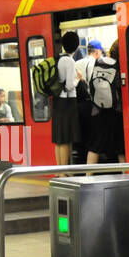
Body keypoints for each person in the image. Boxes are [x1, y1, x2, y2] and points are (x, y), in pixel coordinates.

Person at [85, 40, 124, 164]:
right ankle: (126, 174)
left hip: (98, 110)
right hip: (115, 112)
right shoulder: (119, 65)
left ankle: (88, 175)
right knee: (120, 147)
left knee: (95, 146)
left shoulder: (99, 63)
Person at [51, 30, 81, 165]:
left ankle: (60, 170)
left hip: (58, 101)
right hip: (67, 102)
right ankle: (64, 172)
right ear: (76, 45)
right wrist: (78, 79)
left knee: (59, 140)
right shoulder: (69, 61)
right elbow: (69, 85)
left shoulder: (58, 58)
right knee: (65, 139)